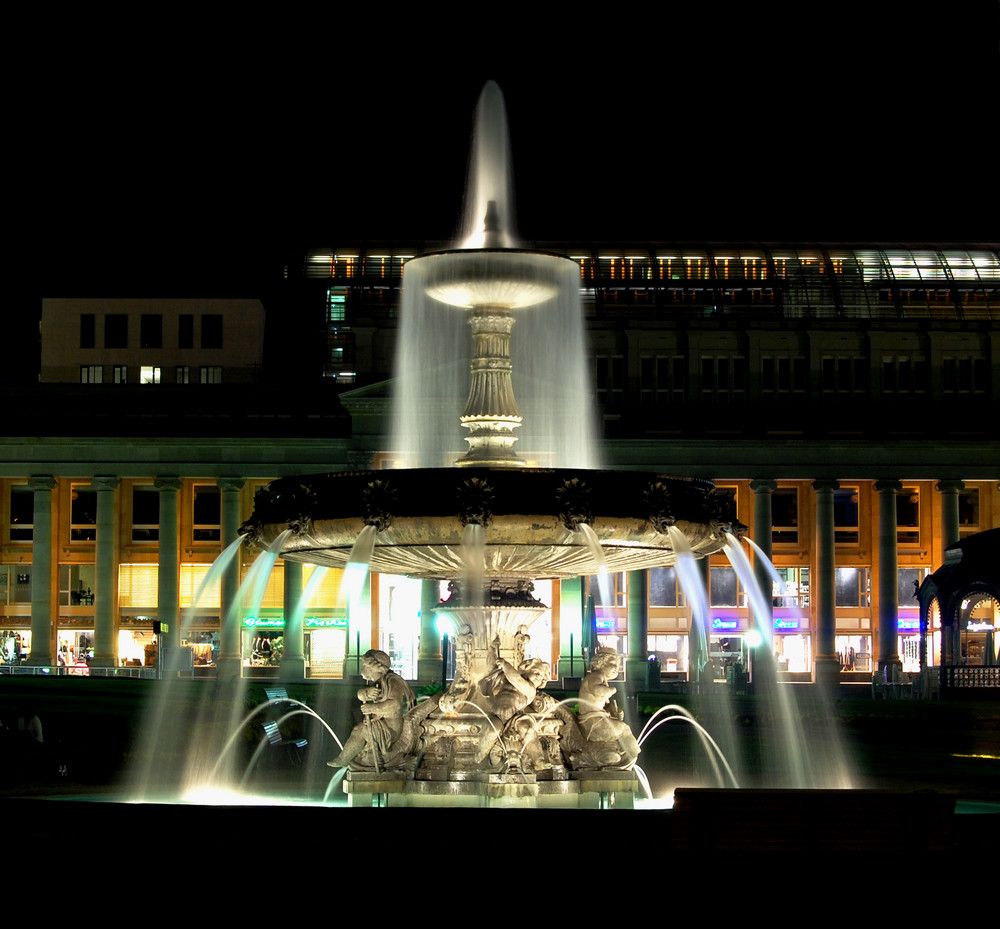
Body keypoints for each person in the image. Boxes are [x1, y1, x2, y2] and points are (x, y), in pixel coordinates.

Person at [329, 649, 414, 769]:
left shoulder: (393, 681)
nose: (362, 668)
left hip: (391, 729)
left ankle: (344, 759)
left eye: (364, 664)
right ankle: (347, 758)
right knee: (358, 729)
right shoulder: (377, 682)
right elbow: (360, 694)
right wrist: (366, 693)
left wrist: (372, 708)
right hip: (380, 723)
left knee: (360, 731)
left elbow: (395, 706)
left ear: (373, 666)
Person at [575, 647, 639, 768]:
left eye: (617, 664)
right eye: (612, 664)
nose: (616, 668)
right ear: (600, 663)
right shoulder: (595, 676)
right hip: (592, 723)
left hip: (598, 720)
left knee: (617, 730)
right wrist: (611, 690)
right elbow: (597, 690)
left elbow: (606, 706)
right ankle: (632, 753)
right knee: (624, 729)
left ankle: (613, 755)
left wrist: (616, 713)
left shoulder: (601, 678)